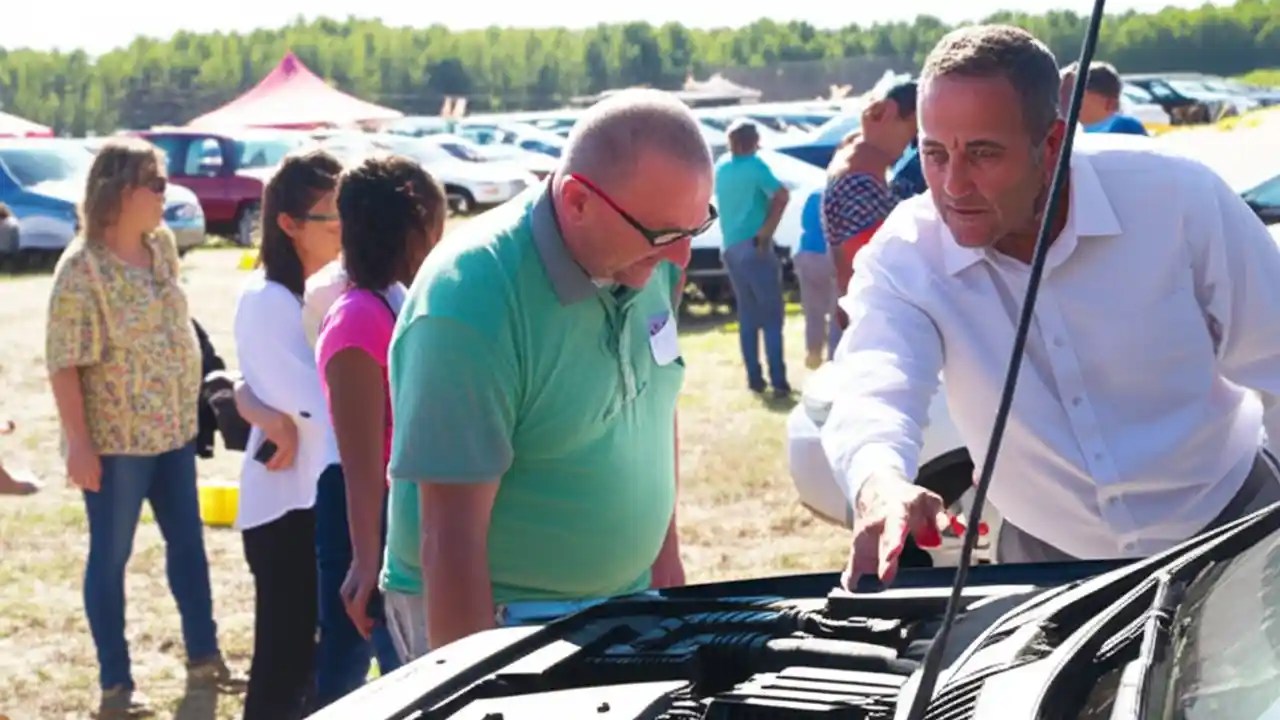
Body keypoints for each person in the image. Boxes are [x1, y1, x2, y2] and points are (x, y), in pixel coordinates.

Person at [823, 24, 1280, 589]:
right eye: (934, 154)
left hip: (1236, 528)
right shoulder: (906, 253)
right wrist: (880, 482)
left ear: (1054, 142)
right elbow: (874, 382)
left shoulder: (1177, 197)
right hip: (1048, 565)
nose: (953, 185)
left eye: (984, 153)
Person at [388, 88, 708, 650]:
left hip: (629, 604)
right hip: (507, 622)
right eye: (663, 235)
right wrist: (472, 693)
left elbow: (654, 410)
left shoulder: (648, 260)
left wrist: (666, 575)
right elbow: (449, 539)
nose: (682, 258)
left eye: (696, 227)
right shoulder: (471, 295)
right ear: (578, 201)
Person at [44, 138, 242, 719]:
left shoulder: (160, 248)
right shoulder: (81, 270)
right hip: (116, 444)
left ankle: (205, 657)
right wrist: (80, 443)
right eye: (156, 185)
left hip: (173, 433)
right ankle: (116, 687)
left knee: (190, 548)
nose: (166, 195)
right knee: (111, 557)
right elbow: (63, 362)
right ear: (120, 191)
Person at [313, 156, 447, 665]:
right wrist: (368, 563)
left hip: (416, 516)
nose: (439, 241)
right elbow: (362, 466)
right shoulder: (355, 322)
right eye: (433, 227)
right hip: (386, 529)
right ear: (408, 229)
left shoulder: (400, 297)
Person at [231, 150, 344, 719]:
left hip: (316, 498)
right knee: (284, 664)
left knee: (317, 666)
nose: (346, 225)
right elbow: (318, 406)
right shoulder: (267, 298)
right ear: (289, 224)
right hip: (287, 510)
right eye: (333, 214)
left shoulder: (326, 289)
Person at [821, 79, 919, 327]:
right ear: (890, 112)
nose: (914, 146)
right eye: (915, 134)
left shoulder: (861, 159)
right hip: (876, 316)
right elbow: (871, 262)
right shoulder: (858, 179)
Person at [713, 119, 791, 397]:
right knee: (771, 316)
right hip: (755, 245)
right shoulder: (756, 166)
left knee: (748, 315)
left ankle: (754, 378)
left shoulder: (721, 166)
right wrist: (767, 231)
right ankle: (779, 380)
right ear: (754, 141)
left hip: (731, 247)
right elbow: (782, 196)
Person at [793, 188, 842, 369]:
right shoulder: (844, 194)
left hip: (807, 253)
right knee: (837, 310)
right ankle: (834, 357)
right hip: (833, 254)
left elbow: (805, 223)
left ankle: (813, 352)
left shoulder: (814, 194)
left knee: (813, 311)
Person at [1059, 61, 1149, 136]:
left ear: (1106, 99)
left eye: (1077, 93)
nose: (1072, 99)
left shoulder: (1124, 125)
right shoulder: (1076, 131)